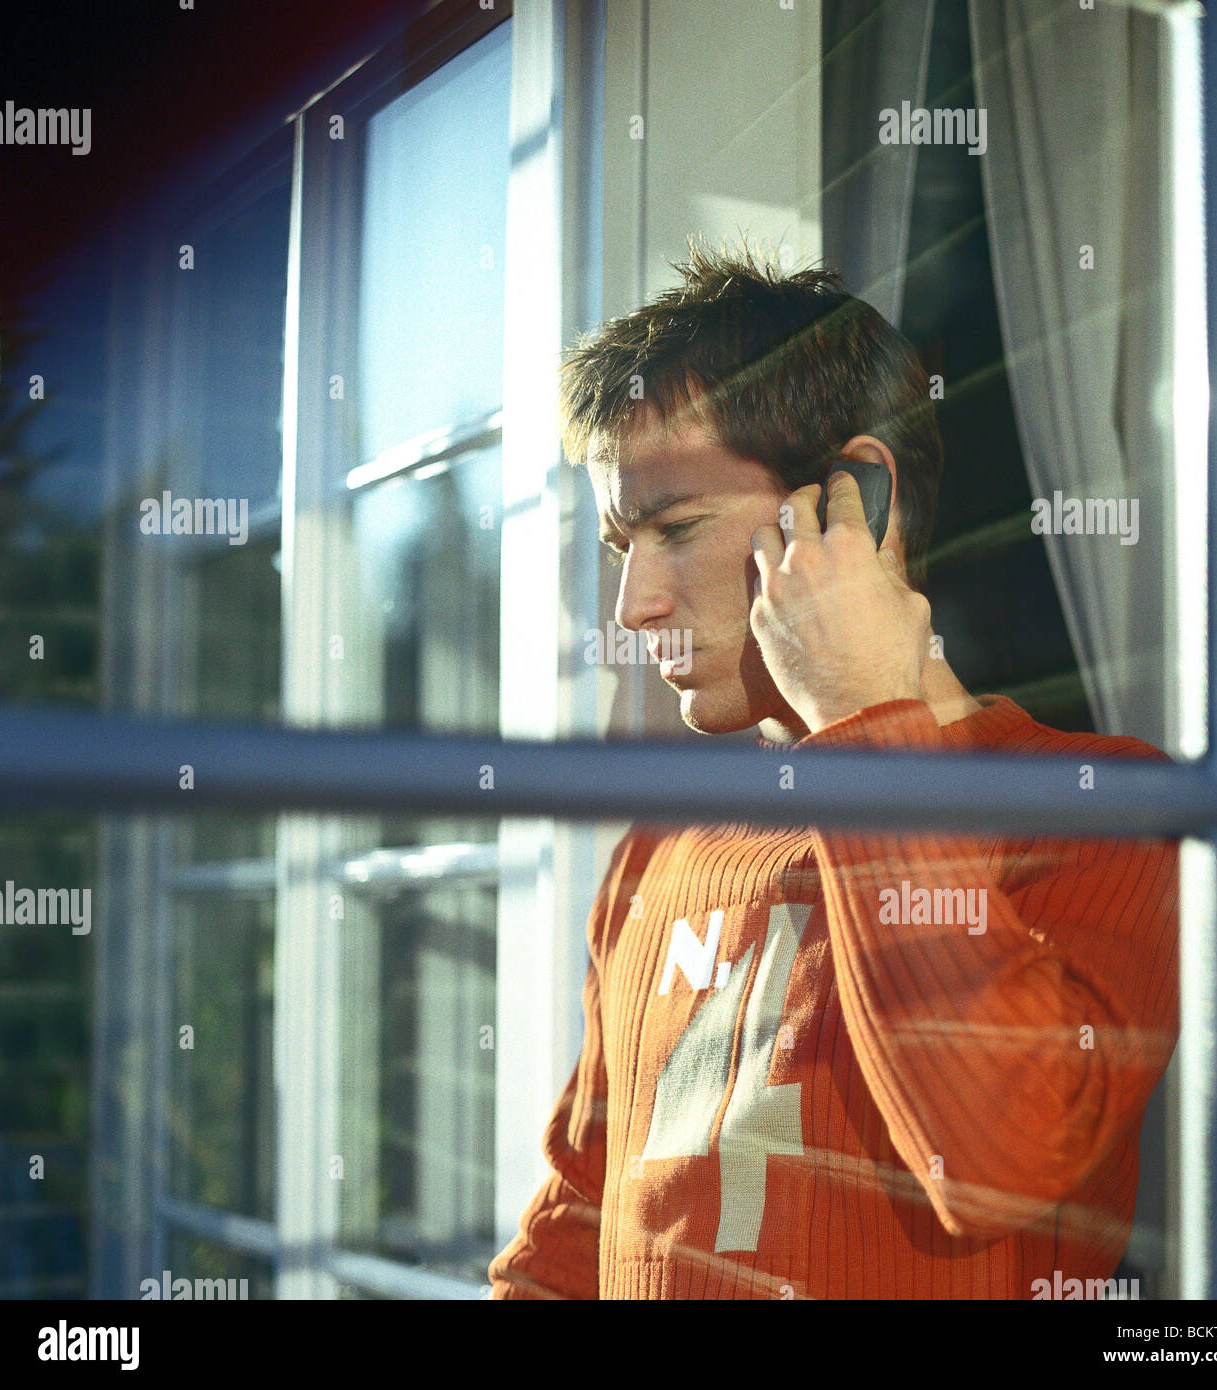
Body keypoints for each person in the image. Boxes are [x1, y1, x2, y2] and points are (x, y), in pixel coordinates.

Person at [487, 244, 1179, 1299]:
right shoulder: (657, 845)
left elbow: (997, 1161)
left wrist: (861, 719)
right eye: (623, 547)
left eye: (676, 528)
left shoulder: (1103, 811)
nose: (633, 607)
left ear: (856, 497)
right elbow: (580, 1216)